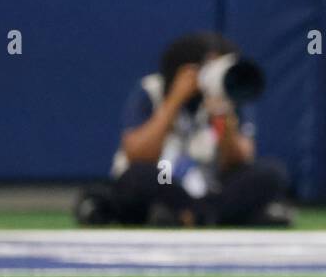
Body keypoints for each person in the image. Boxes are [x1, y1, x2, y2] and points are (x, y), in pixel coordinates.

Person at [79, 32, 293, 227]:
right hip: (162, 182)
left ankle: (186, 214)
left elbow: (239, 161)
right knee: (139, 175)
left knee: (271, 173)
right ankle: (220, 215)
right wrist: (174, 100)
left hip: (210, 188)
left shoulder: (232, 93)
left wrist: (224, 119)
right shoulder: (151, 90)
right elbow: (137, 154)